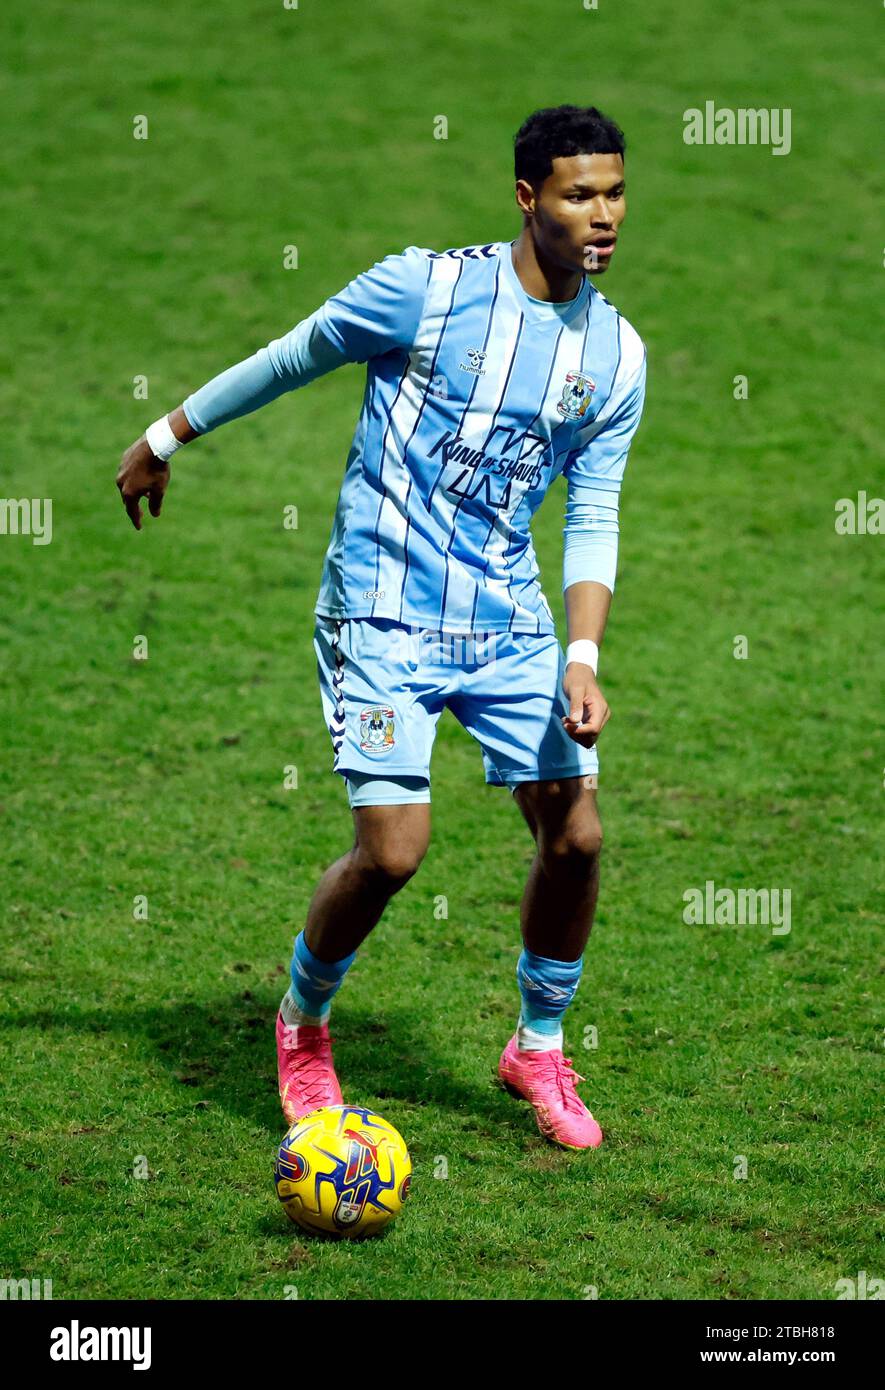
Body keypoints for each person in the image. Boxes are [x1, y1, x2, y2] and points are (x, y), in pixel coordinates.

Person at [116, 104, 647, 1151]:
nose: (604, 215)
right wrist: (166, 432)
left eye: (617, 192)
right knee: (395, 851)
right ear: (528, 198)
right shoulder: (426, 290)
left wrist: (582, 659)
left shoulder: (616, 356)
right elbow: (296, 353)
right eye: (581, 194)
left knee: (576, 834)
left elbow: (594, 511)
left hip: (507, 622)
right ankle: (303, 1024)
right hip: (382, 614)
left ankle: (538, 1044)